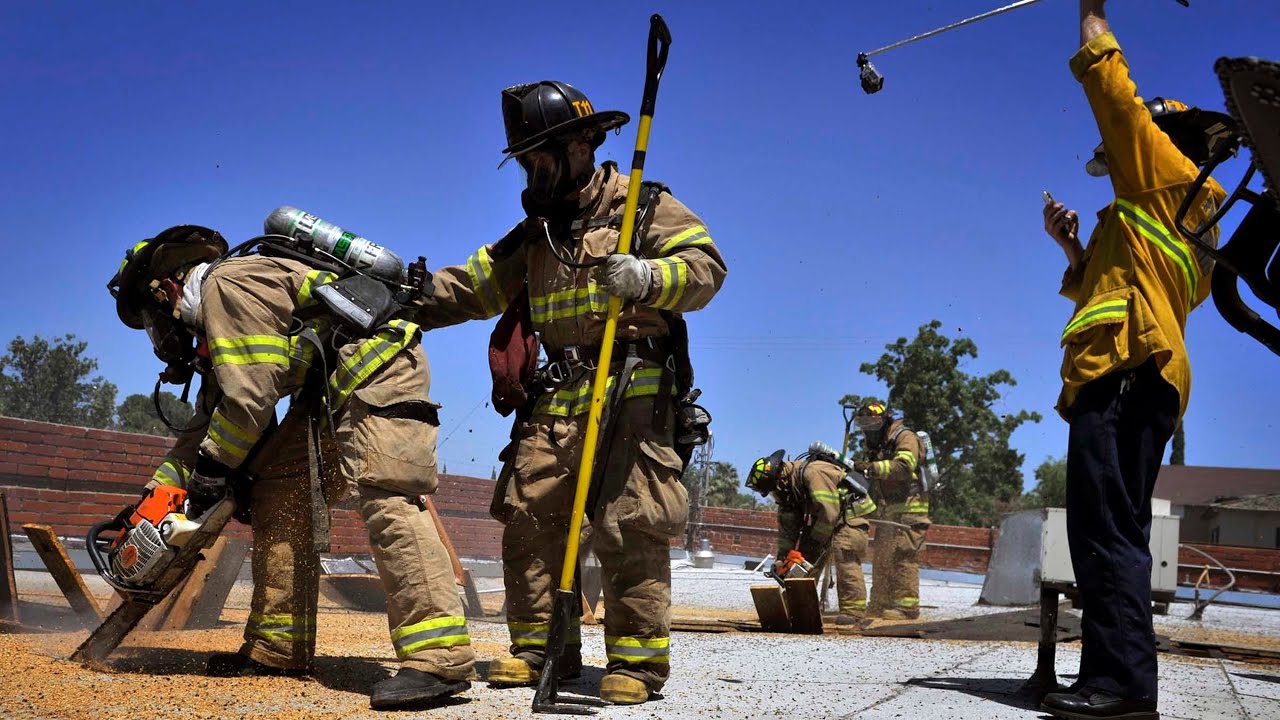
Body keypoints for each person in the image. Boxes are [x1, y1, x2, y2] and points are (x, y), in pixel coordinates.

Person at [413, 80, 727, 705]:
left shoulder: (641, 207)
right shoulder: (537, 233)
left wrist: (648, 275)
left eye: (540, 155)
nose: (531, 169)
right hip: (556, 398)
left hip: (634, 396)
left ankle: (636, 665)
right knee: (528, 517)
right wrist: (400, 295)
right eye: (525, 159)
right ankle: (538, 650)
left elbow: (705, 268)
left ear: (581, 145)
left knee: (629, 523)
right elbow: (470, 286)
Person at [107, 225, 474, 710]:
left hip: (378, 366)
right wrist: (147, 506)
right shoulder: (221, 322)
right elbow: (202, 434)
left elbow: (249, 402)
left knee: (387, 495)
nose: (161, 336)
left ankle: (439, 659)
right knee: (280, 494)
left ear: (167, 289)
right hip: (327, 387)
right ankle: (278, 646)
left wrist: (215, 470)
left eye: (154, 321)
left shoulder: (225, 285)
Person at [1038, 3, 1229, 718]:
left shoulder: (1166, 174)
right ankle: (1108, 679)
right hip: (1142, 372)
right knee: (1111, 529)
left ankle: (1121, 687)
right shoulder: (1187, 221)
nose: (1117, 148)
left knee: (1106, 531)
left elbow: (1112, 90)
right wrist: (1075, 253)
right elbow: (1122, 287)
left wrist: (1090, 9)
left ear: (1167, 138)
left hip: (1122, 372)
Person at [745, 448, 876, 626]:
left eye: (773, 490)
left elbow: (829, 513)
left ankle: (854, 611)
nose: (775, 496)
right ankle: (795, 606)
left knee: (844, 552)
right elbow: (788, 530)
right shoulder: (788, 492)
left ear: (781, 479)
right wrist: (782, 560)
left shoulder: (812, 474)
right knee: (803, 557)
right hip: (825, 518)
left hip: (849, 515)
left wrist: (814, 543)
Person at [852, 402, 928, 621]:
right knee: (883, 555)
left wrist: (872, 467)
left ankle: (907, 609)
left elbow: (904, 467)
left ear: (884, 420)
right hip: (890, 508)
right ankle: (879, 604)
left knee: (904, 554)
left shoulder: (905, 437)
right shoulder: (879, 443)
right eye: (864, 425)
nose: (867, 430)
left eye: (872, 424)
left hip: (911, 507)